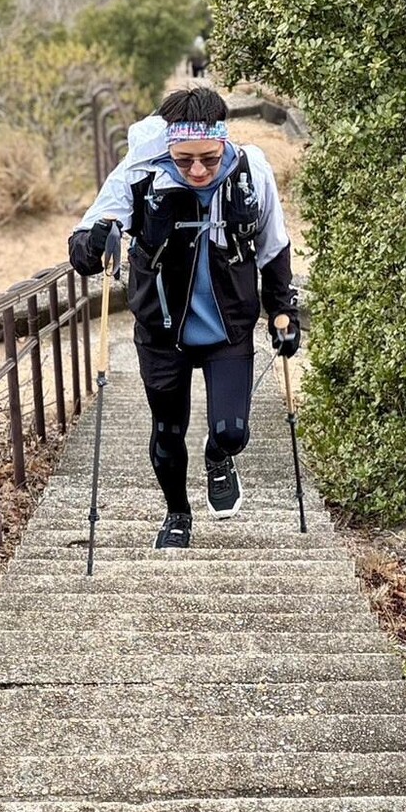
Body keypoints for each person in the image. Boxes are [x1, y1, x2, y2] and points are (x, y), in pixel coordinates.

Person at [68, 86, 300, 549]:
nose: (197, 170)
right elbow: (81, 251)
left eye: (209, 159)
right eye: (184, 159)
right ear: (167, 146)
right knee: (168, 433)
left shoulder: (251, 171)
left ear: (223, 143)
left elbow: (274, 246)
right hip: (161, 329)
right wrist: (99, 240)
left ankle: (219, 459)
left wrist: (283, 310)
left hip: (228, 324)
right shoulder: (138, 175)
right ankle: (177, 514)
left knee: (231, 432)